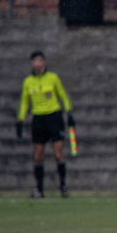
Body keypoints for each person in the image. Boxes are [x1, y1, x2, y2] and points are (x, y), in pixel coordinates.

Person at [16, 51, 74, 198]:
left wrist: (69, 112)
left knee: (58, 154)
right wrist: (20, 120)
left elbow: (63, 96)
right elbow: (24, 102)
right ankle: (40, 190)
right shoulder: (28, 82)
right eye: (34, 61)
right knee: (38, 156)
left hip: (54, 118)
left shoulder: (52, 78)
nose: (37, 64)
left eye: (40, 60)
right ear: (32, 63)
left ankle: (63, 187)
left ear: (44, 62)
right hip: (38, 120)